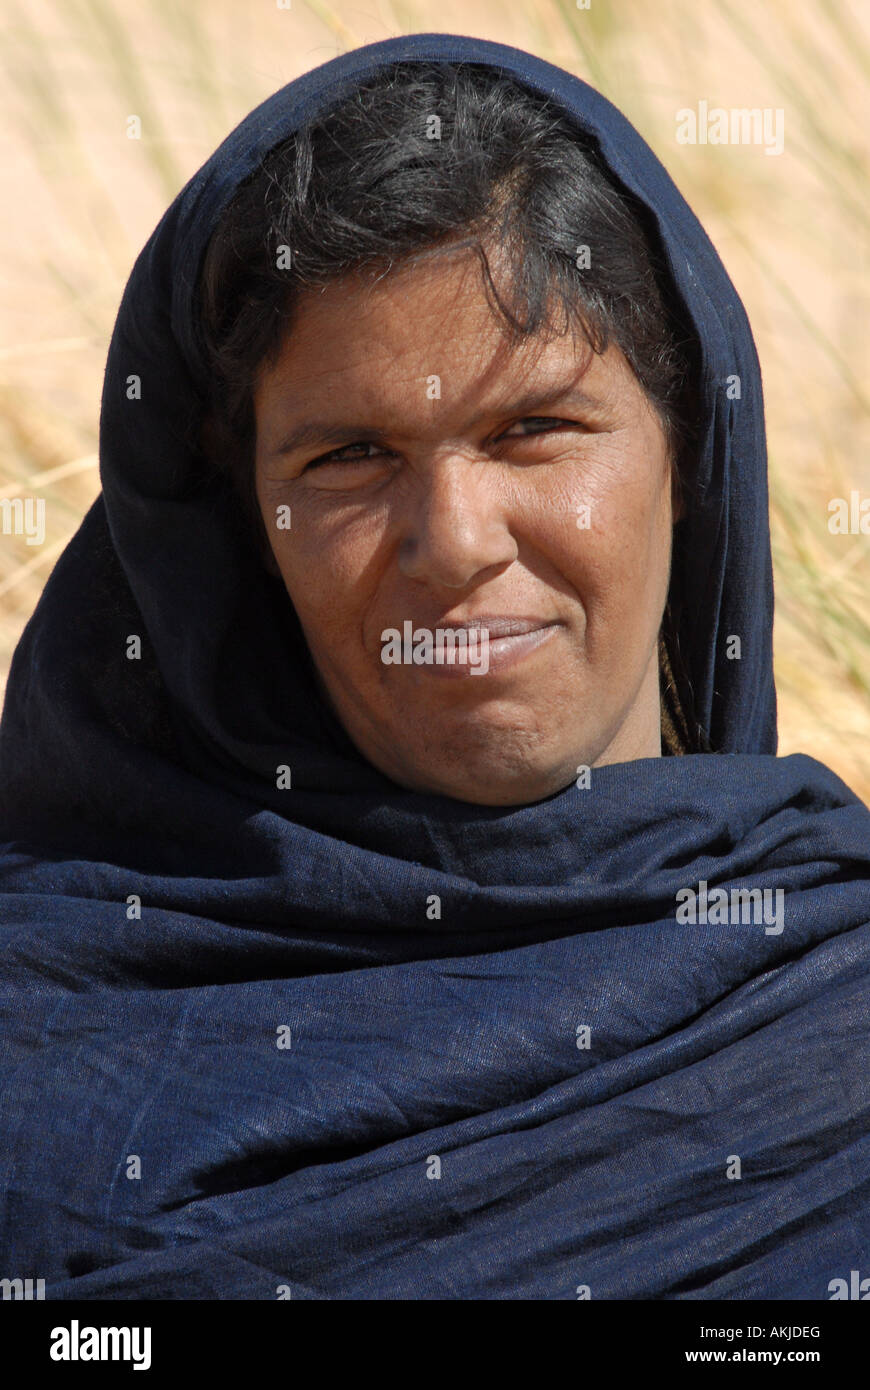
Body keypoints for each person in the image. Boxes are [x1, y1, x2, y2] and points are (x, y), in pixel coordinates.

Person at [0, 32, 867, 1301]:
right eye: (348, 457)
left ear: (687, 455)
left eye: (534, 430)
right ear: (241, 521)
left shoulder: (826, 1006)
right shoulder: (56, 1040)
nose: (453, 542)